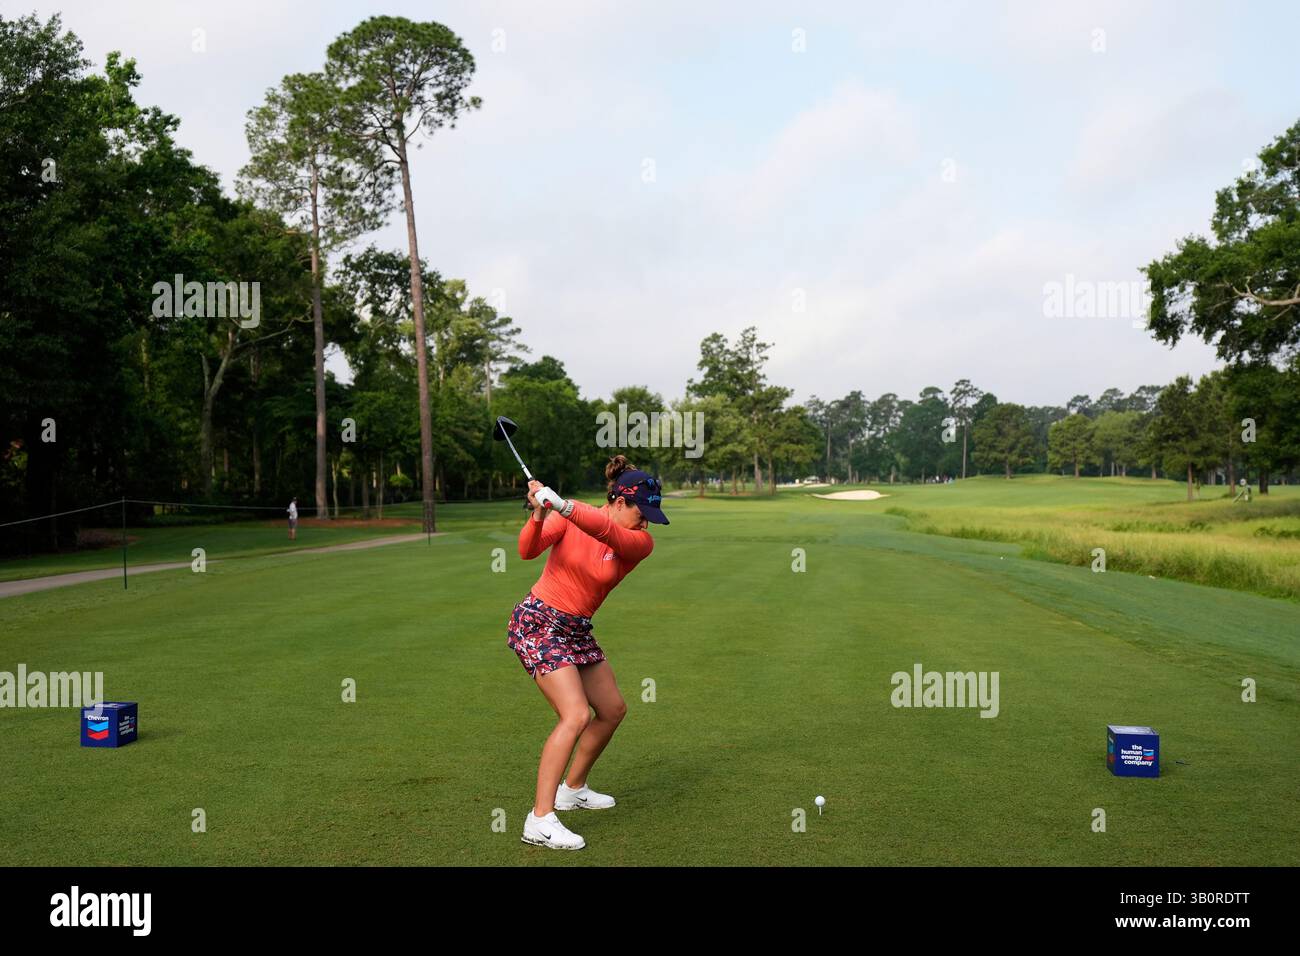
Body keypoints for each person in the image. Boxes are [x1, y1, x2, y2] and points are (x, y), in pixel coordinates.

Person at [507, 455, 668, 850]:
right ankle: (540, 819)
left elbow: (606, 533)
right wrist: (540, 514)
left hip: (576, 628)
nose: (646, 521)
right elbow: (527, 551)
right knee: (575, 714)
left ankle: (572, 788)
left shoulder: (638, 542)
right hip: (539, 620)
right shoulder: (568, 517)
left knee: (612, 709)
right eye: (641, 511)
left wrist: (562, 504)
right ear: (617, 500)